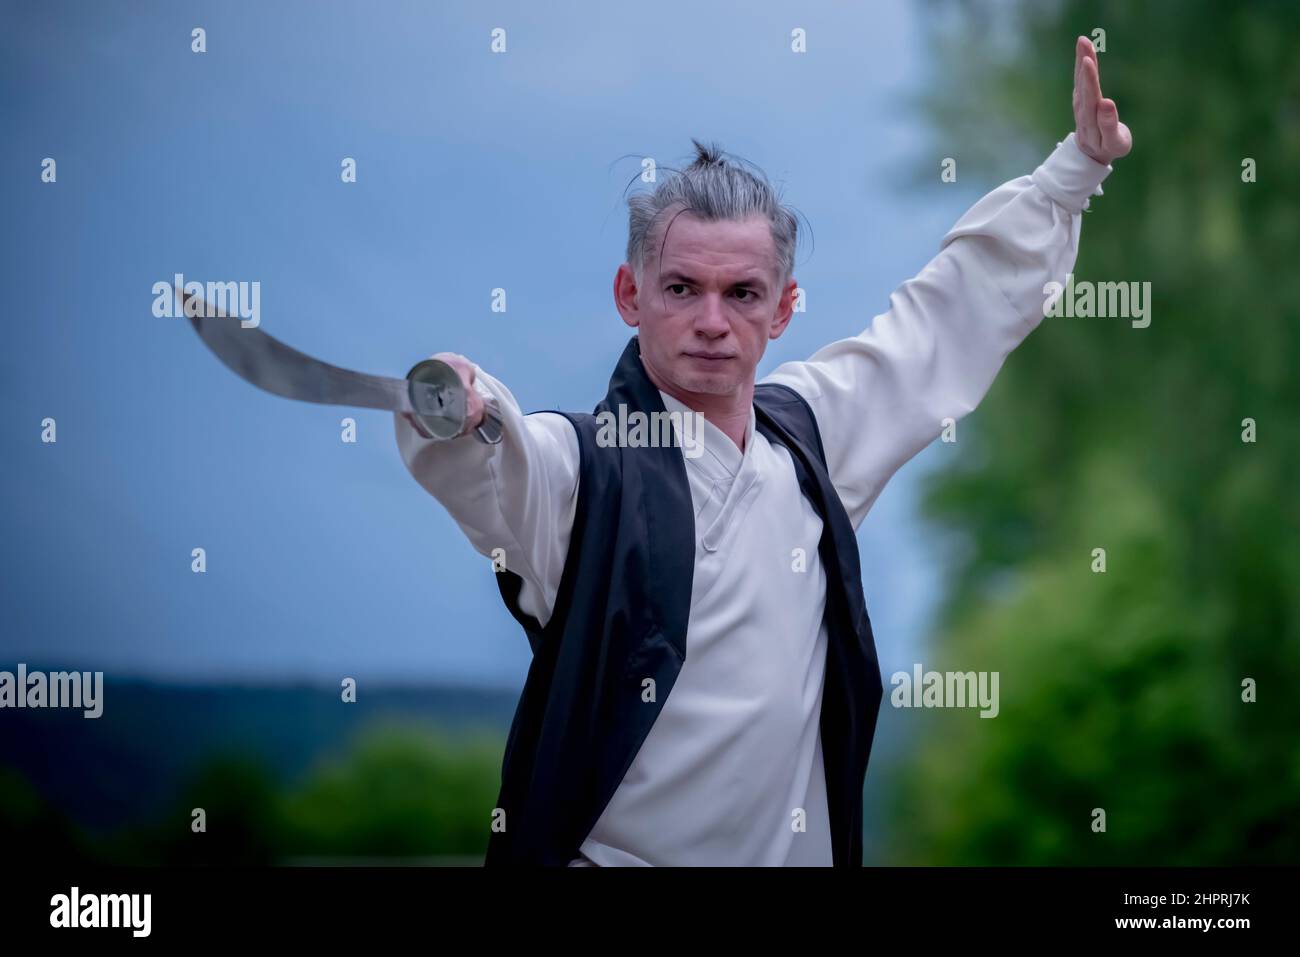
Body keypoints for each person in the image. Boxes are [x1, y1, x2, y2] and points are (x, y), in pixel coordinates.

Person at [395, 37, 1131, 866]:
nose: (712, 319)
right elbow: (500, 461)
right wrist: (454, 406)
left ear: (781, 309)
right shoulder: (583, 468)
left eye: (741, 293)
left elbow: (940, 321)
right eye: (682, 288)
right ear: (631, 294)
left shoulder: (812, 438)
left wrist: (1075, 170)